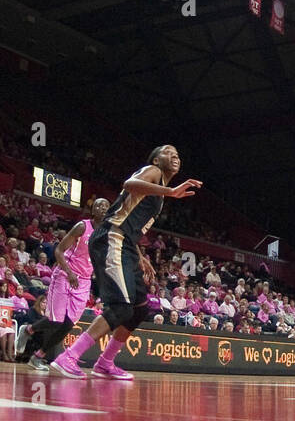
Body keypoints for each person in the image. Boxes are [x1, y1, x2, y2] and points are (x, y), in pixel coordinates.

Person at [50, 146, 200, 380]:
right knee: (121, 307)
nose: (174, 156)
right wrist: (170, 191)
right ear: (156, 159)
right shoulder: (152, 171)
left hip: (126, 244)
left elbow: (130, 221)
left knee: (139, 309)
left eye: (178, 154)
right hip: (112, 237)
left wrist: (140, 256)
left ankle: (105, 363)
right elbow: (129, 184)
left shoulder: (158, 191)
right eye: (168, 152)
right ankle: (68, 357)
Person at [22, 198, 107, 373]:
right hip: (65, 274)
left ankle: (38, 356)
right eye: (99, 205)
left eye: (106, 206)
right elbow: (58, 250)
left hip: (84, 280)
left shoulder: (107, 232)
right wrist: (69, 273)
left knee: (68, 324)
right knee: (55, 320)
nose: (103, 208)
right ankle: (28, 330)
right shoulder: (82, 227)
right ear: (93, 211)